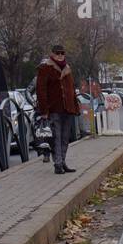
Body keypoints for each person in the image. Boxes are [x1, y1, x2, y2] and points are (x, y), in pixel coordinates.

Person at [35, 44, 79, 175]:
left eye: (62, 53)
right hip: (53, 109)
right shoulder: (45, 68)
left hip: (68, 109)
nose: (60, 55)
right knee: (56, 138)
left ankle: (62, 162)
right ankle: (58, 164)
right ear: (52, 54)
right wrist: (44, 111)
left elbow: (71, 89)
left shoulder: (67, 68)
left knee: (65, 138)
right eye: (57, 53)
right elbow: (41, 91)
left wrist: (75, 107)